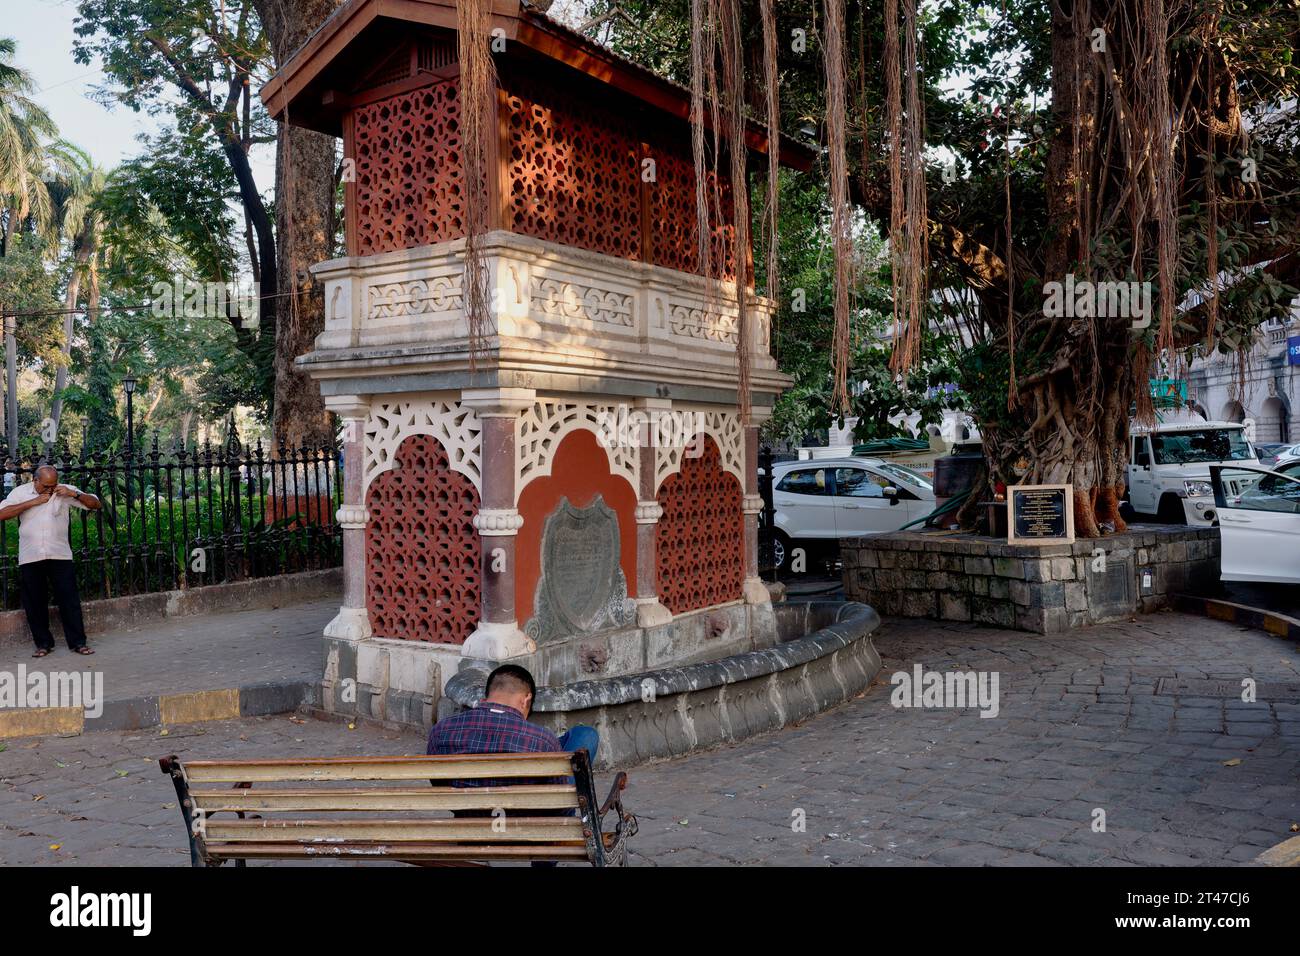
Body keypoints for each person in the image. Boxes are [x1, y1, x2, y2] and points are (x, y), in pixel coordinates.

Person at [0, 465, 102, 658]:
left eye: (53, 484)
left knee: (69, 600)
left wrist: (74, 494)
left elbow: (95, 504)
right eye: (46, 485)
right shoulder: (20, 493)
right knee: (35, 602)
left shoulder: (64, 490)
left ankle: (78, 643)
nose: (50, 488)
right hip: (31, 556)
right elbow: (2, 513)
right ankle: (43, 644)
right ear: (35, 480)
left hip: (60, 554)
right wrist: (34, 501)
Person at [427, 664, 599, 774]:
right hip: (528, 821)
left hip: (469, 816)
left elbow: (438, 783)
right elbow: (561, 806)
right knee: (585, 735)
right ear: (526, 700)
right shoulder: (542, 739)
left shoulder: (441, 731)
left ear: (485, 698)